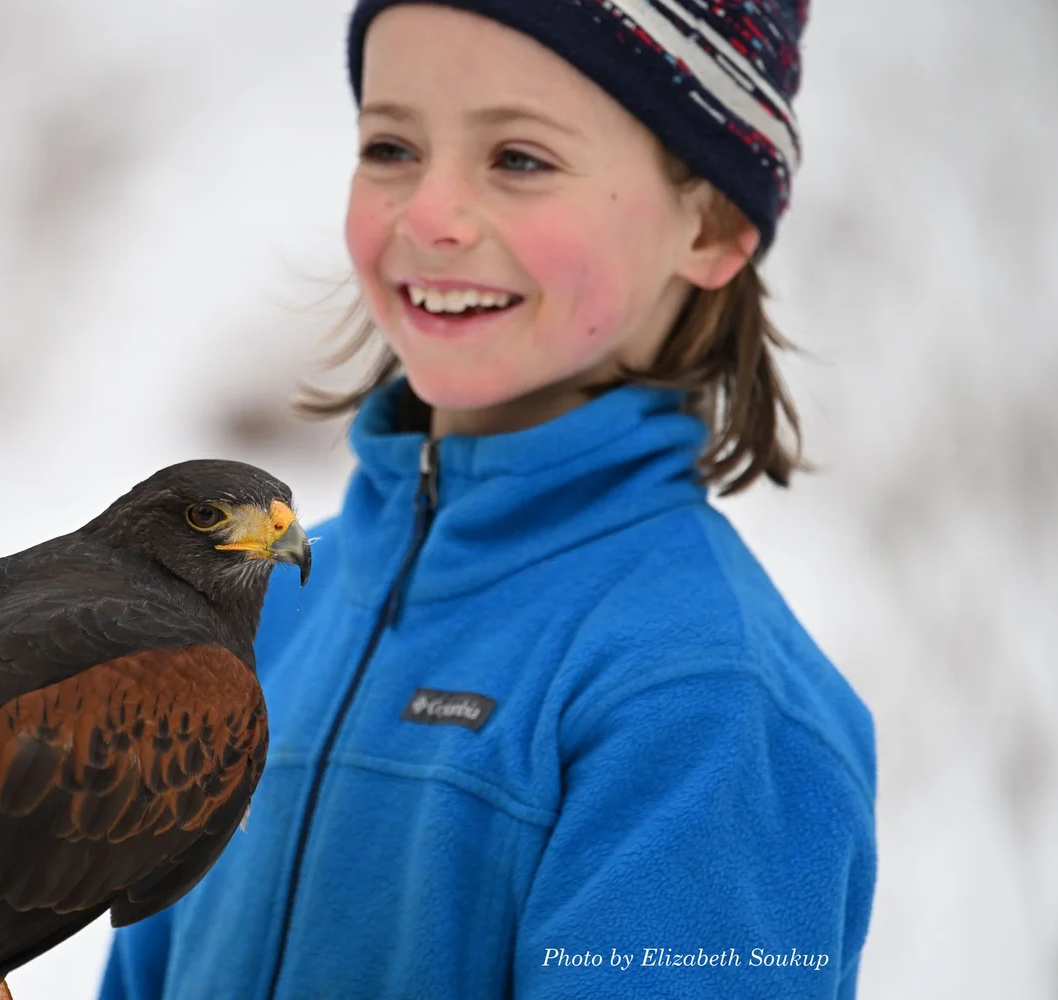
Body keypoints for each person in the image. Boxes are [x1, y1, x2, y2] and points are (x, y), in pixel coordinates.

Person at [101, 1, 877, 997]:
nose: (429, 215)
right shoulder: (261, 614)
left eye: (518, 157)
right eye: (390, 145)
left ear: (714, 220)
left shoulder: (704, 701)